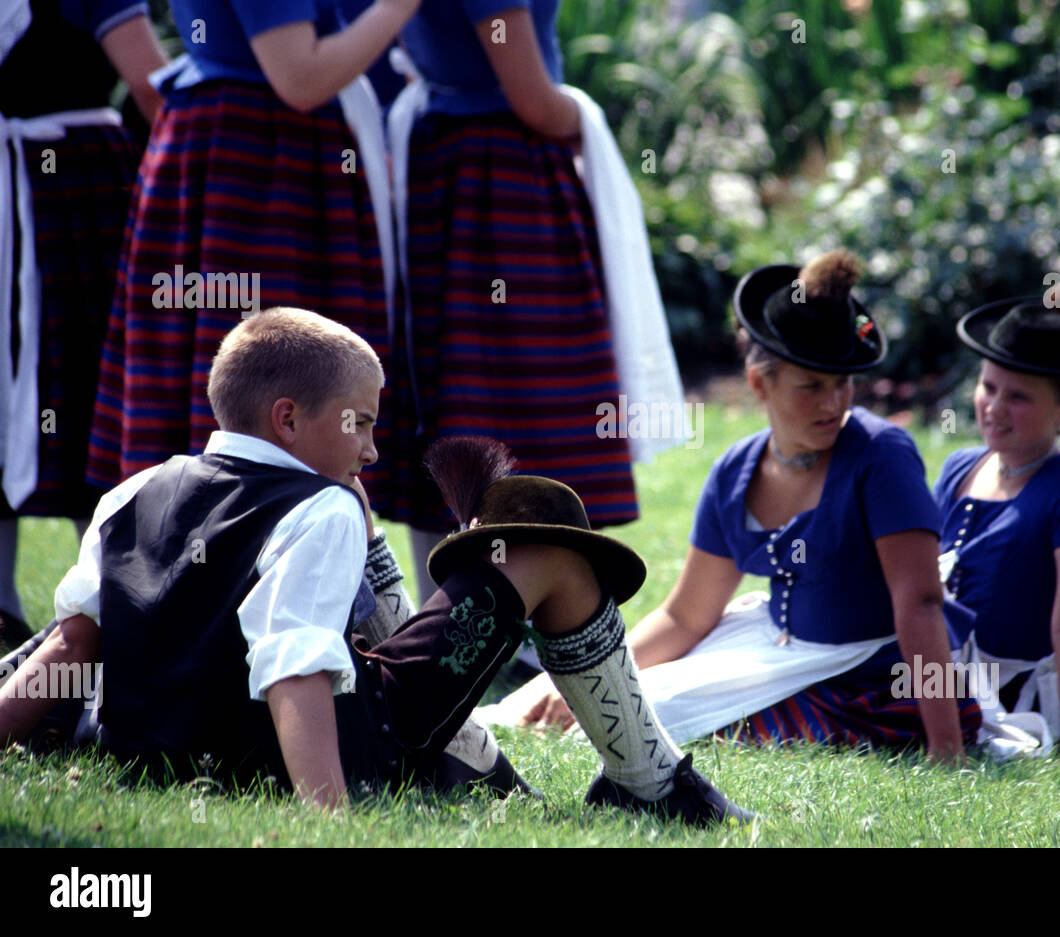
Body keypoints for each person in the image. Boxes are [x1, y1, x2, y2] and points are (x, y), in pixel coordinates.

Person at [0, 308, 750, 824]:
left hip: (152, 745)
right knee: (551, 551)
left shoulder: (136, 488)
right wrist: (331, 819)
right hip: (322, 750)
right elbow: (293, 667)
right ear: (287, 418)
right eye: (359, 422)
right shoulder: (316, 508)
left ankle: (506, 765)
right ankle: (651, 784)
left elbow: (70, 644)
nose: (371, 449)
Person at [502, 250, 979, 763]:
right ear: (759, 383)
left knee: (659, 714)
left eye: (842, 384)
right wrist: (598, 677)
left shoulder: (881, 456)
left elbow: (921, 604)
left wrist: (945, 745)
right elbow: (686, 616)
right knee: (597, 694)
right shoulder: (736, 471)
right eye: (811, 386)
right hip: (775, 650)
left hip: (870, 675)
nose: (833, 403)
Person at [84, 0, 418, 520]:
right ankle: (208, 570)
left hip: (236, 149)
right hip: (259, 163)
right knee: (274, 381)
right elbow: (300, 76)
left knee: (281, 379)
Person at [385, 0, 647, 601]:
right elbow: (534, 99)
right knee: (542, 393)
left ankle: (456, 600)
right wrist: (583, 117)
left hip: (444, 171)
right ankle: (548, 601)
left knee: (460, 386)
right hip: (505, 174)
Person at [0, 0, 167, 650]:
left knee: (78, 386)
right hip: (59, 187)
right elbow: (156, 90)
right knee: (72, 383)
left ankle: (106, 605)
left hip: (72, 190)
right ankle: (72, 611)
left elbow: (150, 89)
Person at [933, 277, 1060, 754]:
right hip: (946, 672)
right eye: (988, 387)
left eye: (1018, 397)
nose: (994, 408)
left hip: (1021, 688)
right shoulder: (960, 467)